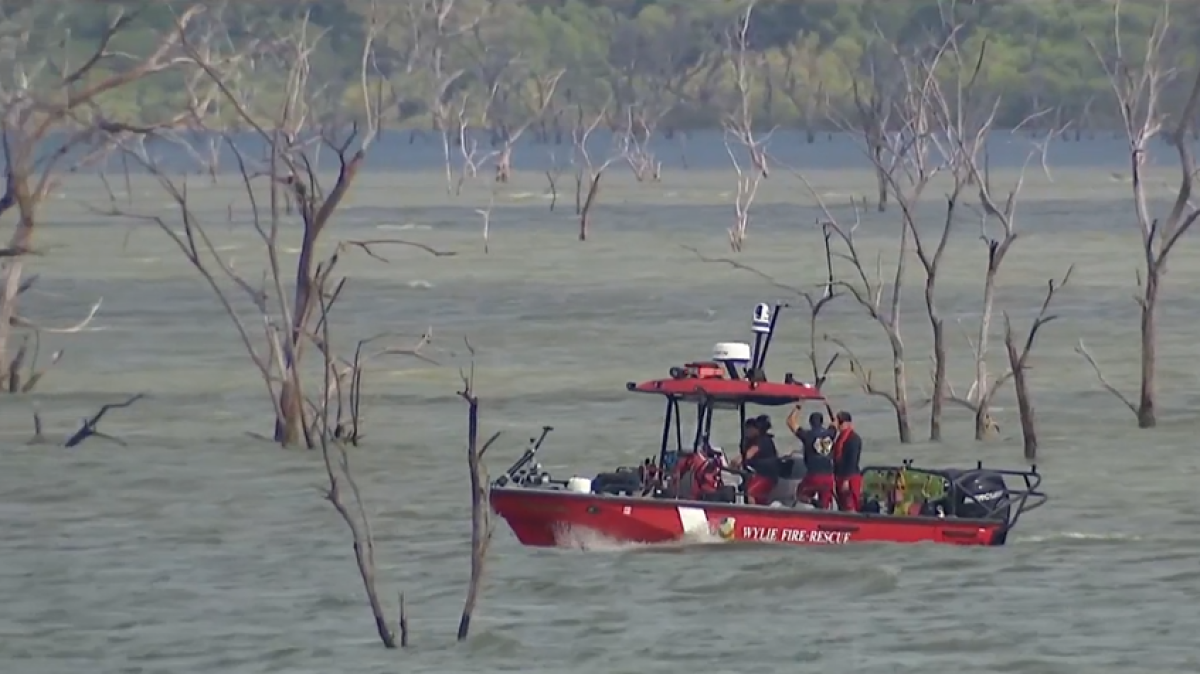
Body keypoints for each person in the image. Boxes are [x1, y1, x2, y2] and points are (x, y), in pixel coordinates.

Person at [787, 406, 836, 508]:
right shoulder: (831, 433)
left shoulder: (807, 435)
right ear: (822, 422)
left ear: (810, 423)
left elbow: (790, 421)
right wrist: (827, 405)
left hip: (814, 475)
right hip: (829, 476)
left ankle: (813, 502)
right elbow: (835, 421)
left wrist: (799, 406)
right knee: (825, 505)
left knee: (800, 494)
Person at [731, 416, 778, 504]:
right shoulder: (749, 441)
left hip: (766, 476)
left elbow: (748, 455)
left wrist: (736, 461)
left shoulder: (763, 441)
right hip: (755, 475)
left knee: (750, 493)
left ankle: (753, 514)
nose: (746, 431)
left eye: (749, 429)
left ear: (757, 429)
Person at [832, 410, 864, 512]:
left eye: (839, 423)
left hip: (850, 477)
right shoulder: (840, 438)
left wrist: (846, 480)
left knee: (850, 505)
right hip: (840, 476)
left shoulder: (853, 438)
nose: (838, 426)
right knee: (842, 505)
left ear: (847, 423)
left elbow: (852, 460)